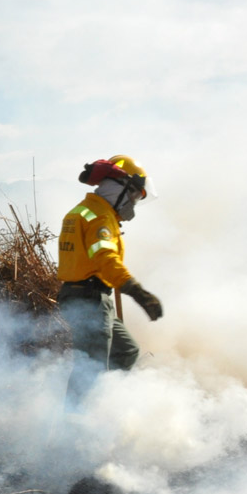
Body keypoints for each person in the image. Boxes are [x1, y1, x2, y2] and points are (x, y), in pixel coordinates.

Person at [56, 154, 163, 405]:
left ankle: (104, 407)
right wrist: (137, 292)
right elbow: (106, 259)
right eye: (135, 195)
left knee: (126, 351)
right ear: (120, 186)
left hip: (80, 296)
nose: (133, 203)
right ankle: (72, 432)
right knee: (89, 374)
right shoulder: (101, 218)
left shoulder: (82, 211)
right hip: (90, 301)